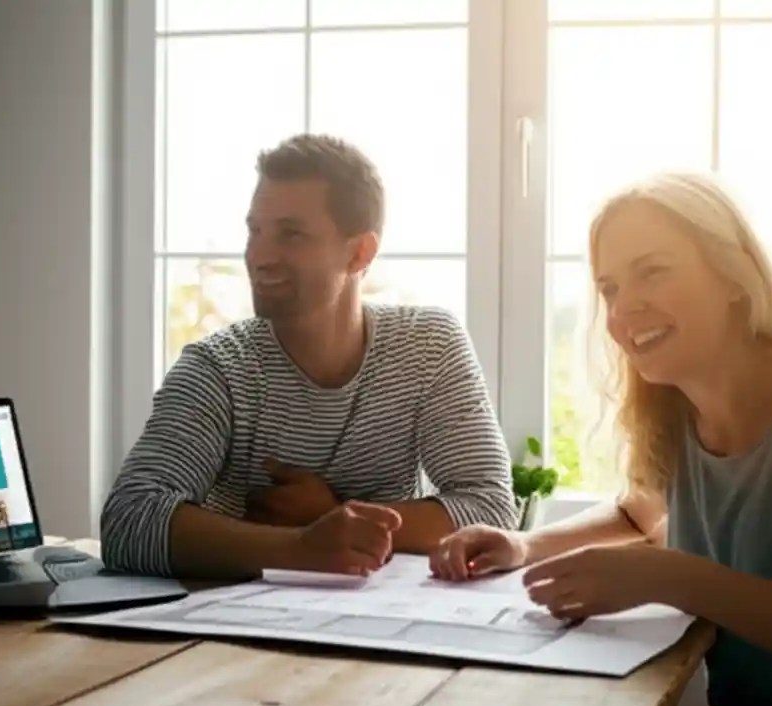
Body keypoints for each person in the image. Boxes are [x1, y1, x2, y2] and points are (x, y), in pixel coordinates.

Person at [430, 172, 772, 706]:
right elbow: (638, 516)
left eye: (653, 272)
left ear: (734, 274)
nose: (622, 309)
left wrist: (666, 576)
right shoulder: (678, 418)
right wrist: (524, 545)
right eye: (610, 288)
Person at [102, 133, 518, 580]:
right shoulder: (217, 368)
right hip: (237, 630)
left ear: (360, 252)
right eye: (255, 231)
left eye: (291, 234)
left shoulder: (428, 346)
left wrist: (335, 515)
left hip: (384, 619)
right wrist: (302, 545)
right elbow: (128, 521)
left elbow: (491, 507)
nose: (259, 256)